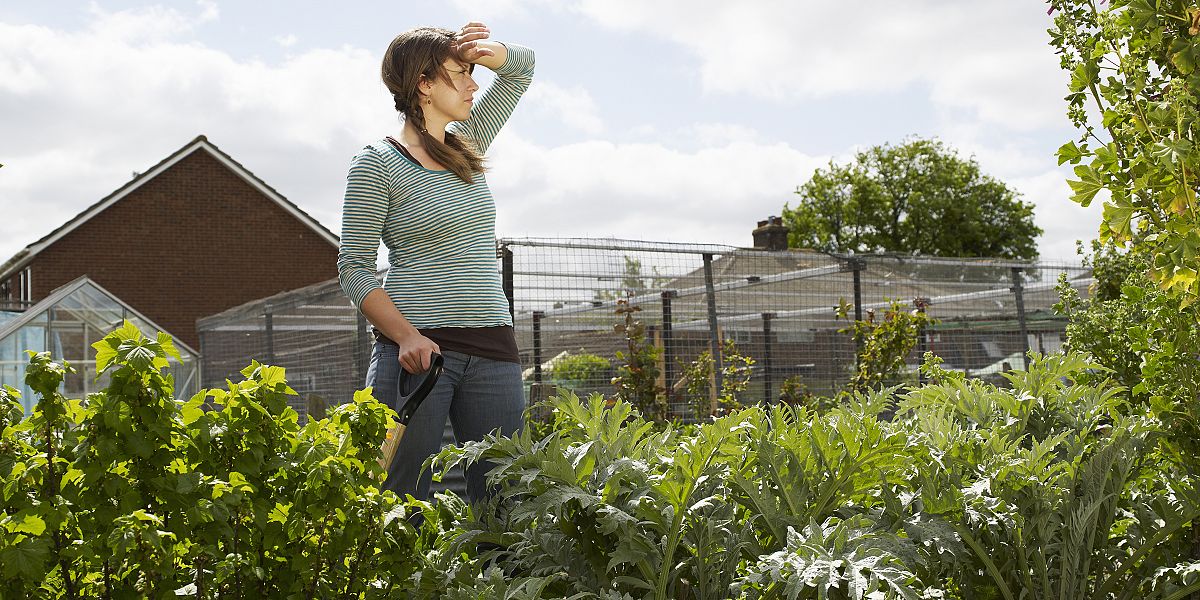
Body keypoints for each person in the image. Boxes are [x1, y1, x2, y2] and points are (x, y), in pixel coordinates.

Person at [336, 22, 533, 502]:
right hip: (420, 355)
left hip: (494, 350)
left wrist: (489, 51)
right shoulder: (378, 164)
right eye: (460, 74)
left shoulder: (467, 143)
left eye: (472, 74)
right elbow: (354, 265)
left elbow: (520, 72)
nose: (473, 84)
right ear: (424, 84)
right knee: (399, 498)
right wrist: (405, 336)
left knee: (507, 500)